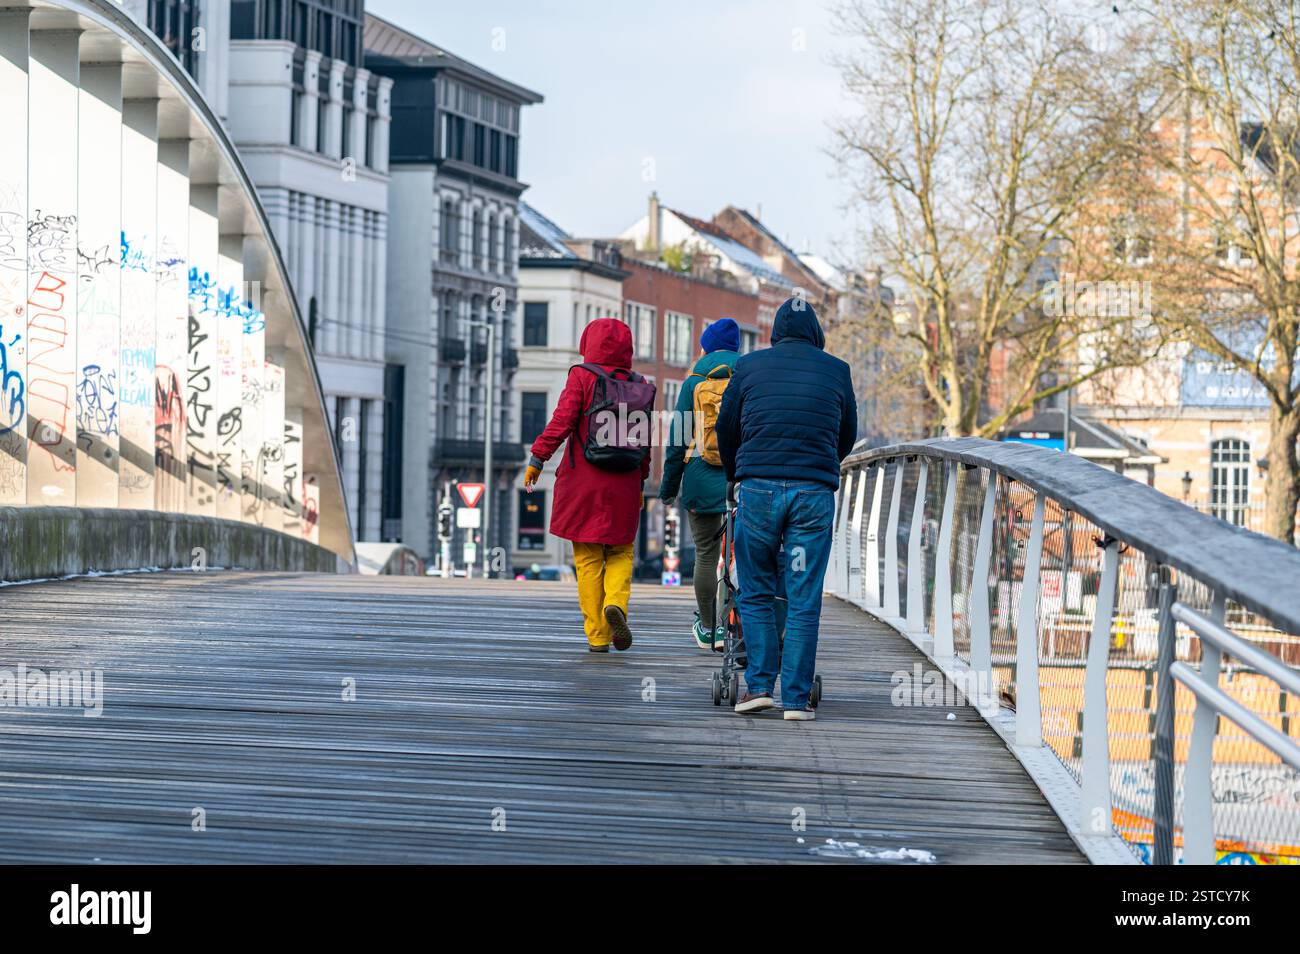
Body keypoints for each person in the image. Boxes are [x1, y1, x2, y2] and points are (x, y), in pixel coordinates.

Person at [715, 297, 857, 721]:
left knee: (755, 589)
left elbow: (727, 426)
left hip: (758, 490)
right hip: (812, 495)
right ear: (816, 332)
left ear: (775, 331)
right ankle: (795, 700)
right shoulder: (837, 370)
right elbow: (846, 434)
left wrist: (734, 468)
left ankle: (759, 686)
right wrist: (821, 463)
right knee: (803, 596)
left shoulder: (749, 367)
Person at [524, 318, 652, 653]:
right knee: (622, 549)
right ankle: (617, 605)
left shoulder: (582, 376)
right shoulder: (641, 384)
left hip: (584, 480)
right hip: (625, 480)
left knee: (588, 557)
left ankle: (597, 635)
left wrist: (538, 458)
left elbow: (562, 421)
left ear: (587, 344)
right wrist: (642, 480)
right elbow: (645, 440)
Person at [659, 317, 741, 650]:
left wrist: (668, 486)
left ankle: (710, 629)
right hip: (741, 477)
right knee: (738, 555)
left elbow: (677, 439)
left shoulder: (694, 380)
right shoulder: (749, 374)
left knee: (706, 555)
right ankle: (733, 622)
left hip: (699, 475)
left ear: (705, 347)